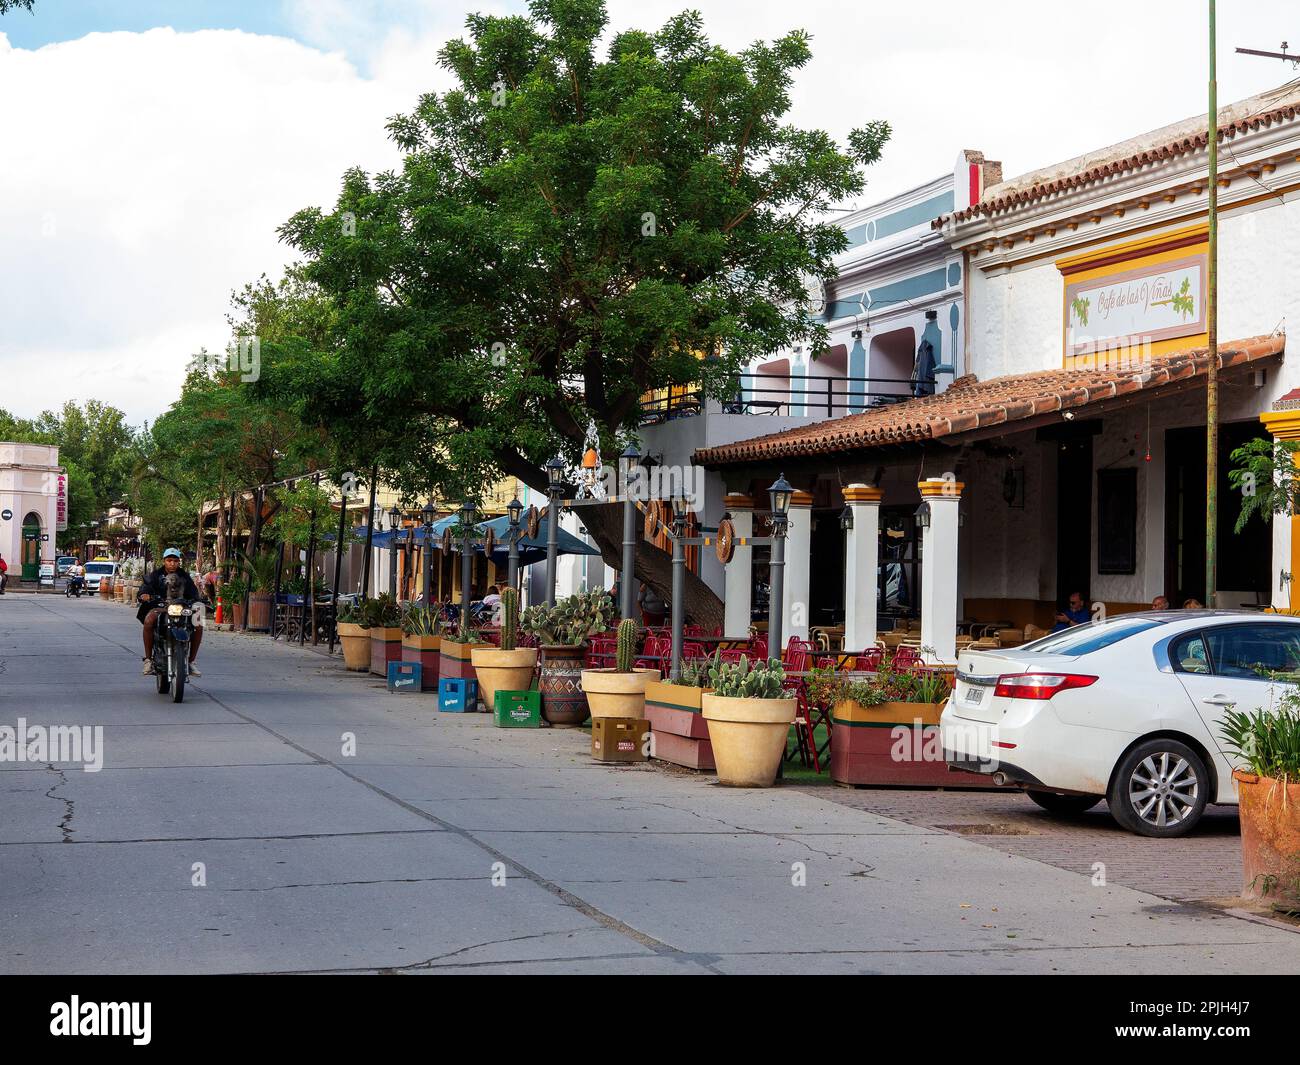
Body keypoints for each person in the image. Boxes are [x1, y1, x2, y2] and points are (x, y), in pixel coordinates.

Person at [138, 548, 203, 676]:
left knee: (199, 623)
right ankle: (148, 660)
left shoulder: (184, 576)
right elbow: (146, 587)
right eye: (169, 560)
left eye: (175, 560)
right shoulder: (156, 575)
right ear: (164, 561)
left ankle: (191, 662)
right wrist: (144, 594)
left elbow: (193, 592)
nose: (172, 563)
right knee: (148, 621)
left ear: (179, 562)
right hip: (160, 607)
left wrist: (198, 600)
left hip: (181, 608)